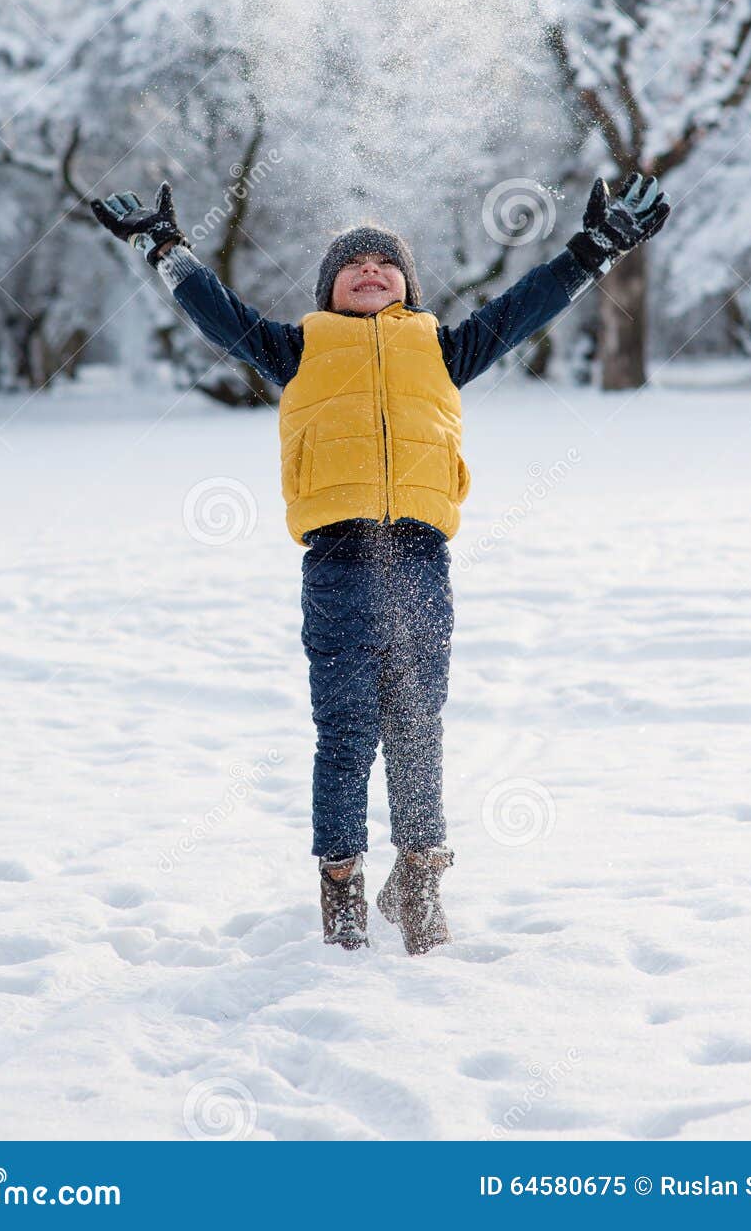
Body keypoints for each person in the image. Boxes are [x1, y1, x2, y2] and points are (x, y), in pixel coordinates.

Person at [91, 174, 669, 954]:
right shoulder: (294, 348)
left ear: (407, 286)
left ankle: (421, 874)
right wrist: (164, 247)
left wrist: (593, 249)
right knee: (345, 731)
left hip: (421, 559)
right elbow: (213, 310)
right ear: (329, 288)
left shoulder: (441, 346)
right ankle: (340, 885)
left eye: (385, 265)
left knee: (417, 724)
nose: (369, 271)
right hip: (336, 562)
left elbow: (529, 303)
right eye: (352, 265)